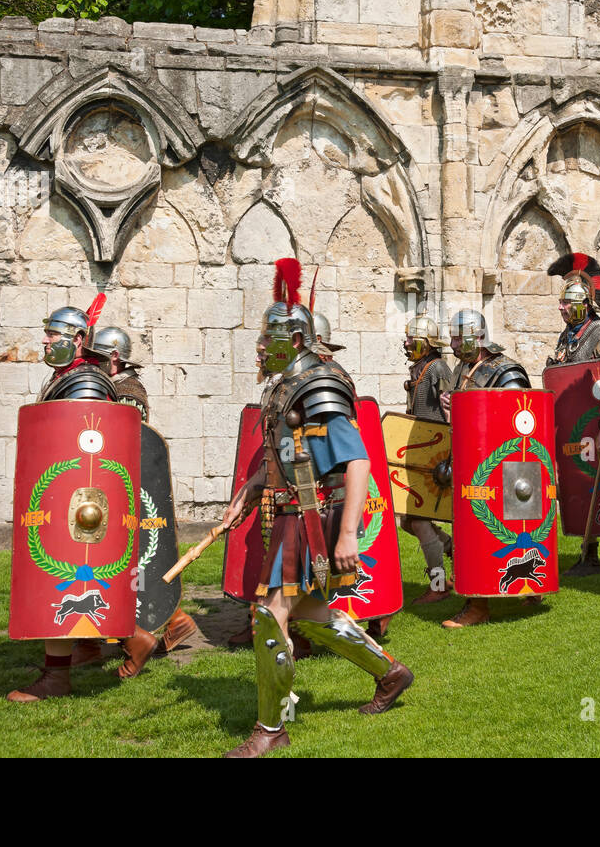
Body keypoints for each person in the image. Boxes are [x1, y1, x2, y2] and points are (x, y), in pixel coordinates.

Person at [219, 259, 413, 758]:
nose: (260, 347)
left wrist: (348, 536)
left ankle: (272, 727)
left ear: (297, 341)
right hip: (289, 511)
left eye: (270, 338)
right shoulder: (286, 387)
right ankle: (390, 673)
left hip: (312, 516)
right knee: (309, 610)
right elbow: (283, 455)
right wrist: (249, 491)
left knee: (268, 614)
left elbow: (358, 463)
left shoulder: (318, 387)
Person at [7, 306, 126, 702]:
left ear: (78, 340)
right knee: (70, 586)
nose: (45, 340)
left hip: (80, 505)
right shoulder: (67, 378)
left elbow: (85, 451)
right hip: (67, 501)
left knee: (65, 583)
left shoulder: (86, 383)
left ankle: (57, 678)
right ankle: (111, 645)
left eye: (53, 334)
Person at [83, 325, 199, 670]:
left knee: (132, 566)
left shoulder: (129, 390)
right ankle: (171, 623)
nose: (91, 364)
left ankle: (169, 623)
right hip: (107, 487)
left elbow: (130, 439)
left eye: (96, 357)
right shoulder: (110, 386)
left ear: (114, 358)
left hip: (126, 488)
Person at [439, 309, 532, 628]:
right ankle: (479, 600)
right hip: (471, 464)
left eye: (455, 336)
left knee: (511, 531)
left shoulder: (504, 372)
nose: (450, 343)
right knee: (473, 533)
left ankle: (512, 592)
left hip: (503, 469)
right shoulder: (461, 368)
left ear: (474, 337)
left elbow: (518, 421)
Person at [545, 253, 600, 575]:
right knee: (577, 486)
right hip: (574, 425)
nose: (561, 308)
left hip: (596, 424)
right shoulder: (568, 335)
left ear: (584, 304)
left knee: (597, 486)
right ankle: (597, 543)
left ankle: (597, 547)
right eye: (561, 303)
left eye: (567, 302)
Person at [399, 313, 455, 604]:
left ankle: (438, 585)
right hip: (421, 452)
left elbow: (450, 409)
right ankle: (452, 547)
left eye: (411, 338)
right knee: (407, 522)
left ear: (426, 342)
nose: (406, 342)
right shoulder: (419, 368)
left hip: (437, 457)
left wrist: (451, 454)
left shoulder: (438, 368)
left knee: (418, 521)